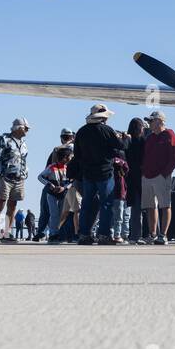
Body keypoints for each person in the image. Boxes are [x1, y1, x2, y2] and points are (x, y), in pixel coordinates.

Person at [72, 104, 125, 245]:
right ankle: (104, 235)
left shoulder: (81, 132)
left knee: (87, 204)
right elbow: (121, 146)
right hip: (105, 173)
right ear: (103, 117)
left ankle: (84, 234)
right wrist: (124, 138)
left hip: (88, 174)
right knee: (106, 204)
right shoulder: (107, 130)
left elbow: (76, 154)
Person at [141, 110, 175, 245]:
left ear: (160, 121)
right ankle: (152, 234)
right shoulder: (150, 137)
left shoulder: (169, 134)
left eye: (152, 121)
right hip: (147, 175)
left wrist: (165, 173)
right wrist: (144, 172)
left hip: (161, 176)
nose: (149, 123)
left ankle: (163, 235)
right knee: (150, 206)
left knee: (165, 205)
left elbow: (174, 158)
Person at [0, 118, 29, 244]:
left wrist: (25, 173)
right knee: (1, 202)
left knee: (13, 205)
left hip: (19, 178)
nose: (27, 130)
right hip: (5, 177)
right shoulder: (3, 140)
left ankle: (6, 232)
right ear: (19, 128)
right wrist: (0, 175)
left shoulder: (23, 143)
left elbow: (24, 160)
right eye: (26, 128)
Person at [37, 145, 73, 242]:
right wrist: (50, 185)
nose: (71, 158)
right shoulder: (52, 167)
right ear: (65, 157)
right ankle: (53, 233)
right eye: (70, 156)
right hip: (52, 194)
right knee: (54, 213)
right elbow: (40, 177)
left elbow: (72, 181)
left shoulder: (68, 168)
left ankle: (61, 233)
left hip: (63, 193)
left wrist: (64, 187)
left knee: (62, 213)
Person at [123, 118, 146, 243]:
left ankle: (134, 235)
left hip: (130, 177)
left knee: (133, 209)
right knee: (147, 208)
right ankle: (144, 234)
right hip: (142, 176)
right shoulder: (143, 140)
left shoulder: (127, 141)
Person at [106, 149, 130, 245]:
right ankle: (116, 235)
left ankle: (116, 234)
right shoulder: (112, 164)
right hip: (116, 193)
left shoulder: (121, 169)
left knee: (119, 216)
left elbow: (125, 168)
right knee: (117, 216)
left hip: (118, 193)